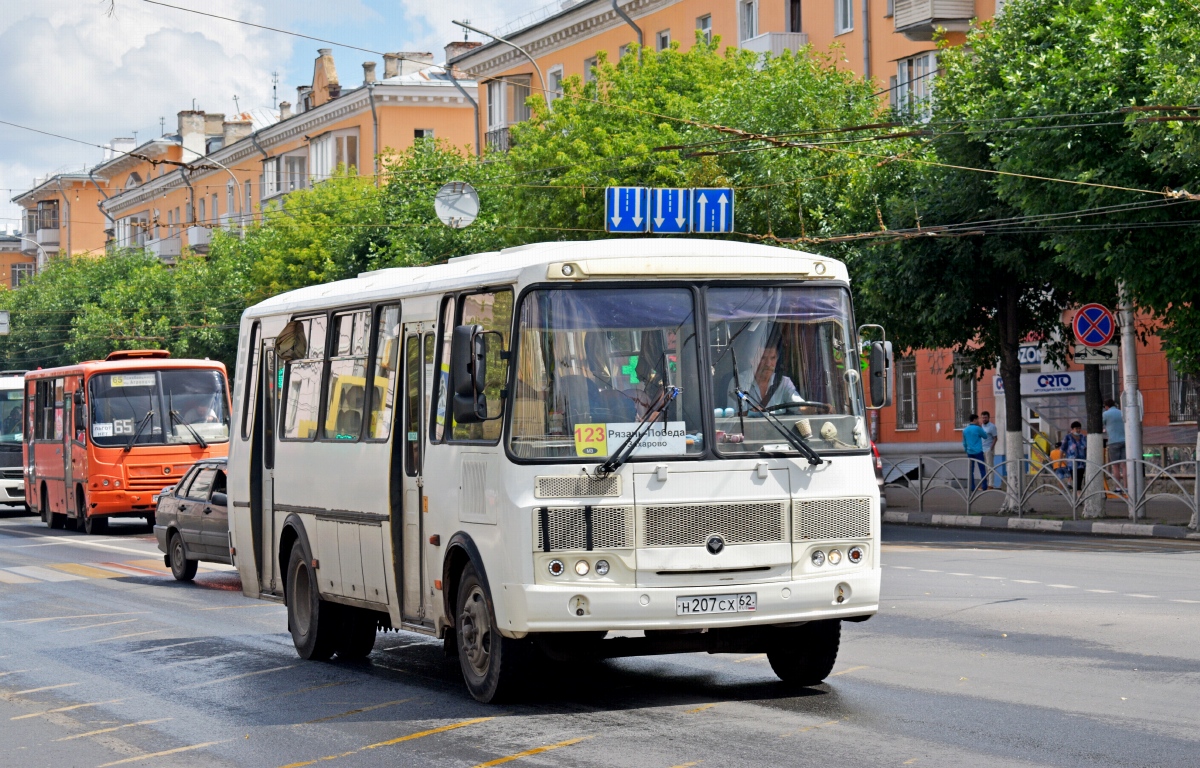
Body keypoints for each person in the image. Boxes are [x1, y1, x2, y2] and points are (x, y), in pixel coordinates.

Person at [727, 343, 801, 414]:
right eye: (763, 358)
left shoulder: (784, 382)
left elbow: (800, 407)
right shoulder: (738, 383)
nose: (768, 364)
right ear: (752, 359)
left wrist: (810, 409)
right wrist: (750, 413)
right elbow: (733, 417)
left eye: (773, 358)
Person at [1102, 398, 1126, 491]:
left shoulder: (1106, 414)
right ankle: (1127, 487)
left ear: (1106, 406)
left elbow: (1101, 425)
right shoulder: (1121, 412)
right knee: (1125, 465)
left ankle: (1118, 487)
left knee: (1115, 466)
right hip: (1124, 441)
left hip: (1113, 441)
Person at [962, 413, 988, 492]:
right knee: (982, 469)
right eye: (978, 419)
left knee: (971, 470)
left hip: (970, 452)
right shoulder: (977, 428)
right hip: (978, 451)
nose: (979, 421)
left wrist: (966, 450)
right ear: (974, 420)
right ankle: (984, 486)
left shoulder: (965, 430)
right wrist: (981, 428)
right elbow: (985, 436)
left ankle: (972, 487)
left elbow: (964, 442)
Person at [1060, 421, 1087, 495]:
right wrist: (1060, 461)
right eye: (1076, 428)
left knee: (1080, 478)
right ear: (1072, 429)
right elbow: (1062, 449)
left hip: (1081, 462)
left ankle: (1077, 493)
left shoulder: (1083, 437)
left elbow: (1086, 448)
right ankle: (1077, 494)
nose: (1078, 430)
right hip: (1072, 463)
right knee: (1074, 478)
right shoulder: (1068, 437)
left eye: (1079, 428)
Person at [980, 411, 999, 488]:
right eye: (983, 417)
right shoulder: (981, 426)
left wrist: (991, 447)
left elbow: (995, 438)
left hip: (988, 449)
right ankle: (984, 484)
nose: (984, 419)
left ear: (988, 418)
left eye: (985, 417)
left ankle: (991, 484)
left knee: (990, 467)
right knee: (983, 467)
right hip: (981, 449)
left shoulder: (992, 426)